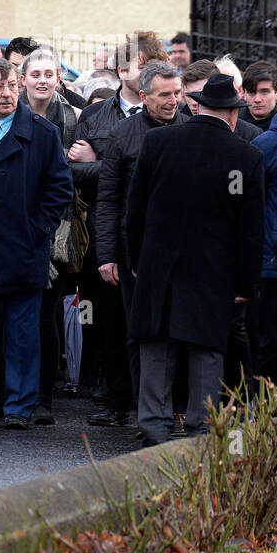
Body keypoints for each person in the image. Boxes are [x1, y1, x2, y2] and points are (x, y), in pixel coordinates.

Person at [126, 73, 264, 444]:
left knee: (156, 345)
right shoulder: (247, 156)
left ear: (198, 105)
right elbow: (251, 230)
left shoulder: (157, 142)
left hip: (158, 265)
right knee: (206, 350)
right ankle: (200, 429)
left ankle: (152, 424)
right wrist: (244, 283)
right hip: (213, 272)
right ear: (234, 115)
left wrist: (136, 259)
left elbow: (134, 209)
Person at [0, 57, 73, 429]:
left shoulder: (42, 132)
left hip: (23, 250)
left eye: (11, 86)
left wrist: (36, 230)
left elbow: (60, 187)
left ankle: (19, 406)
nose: (6, 94)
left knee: (23, 335)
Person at [68, 30, 168, 427]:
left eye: (147, 64)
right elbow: (74, 169)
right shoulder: (93, 116)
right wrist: (105, 163)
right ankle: (115, 399)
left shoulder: (168, 115)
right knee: (111, 319)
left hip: (150, 235)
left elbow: (149, 171)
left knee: (151, 324)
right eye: (135, 65)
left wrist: (104, 156)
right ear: (120, 69)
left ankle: (154, 402)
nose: (141, 72)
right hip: (105, 229)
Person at [91, 59, 184, 425]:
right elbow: (109, 198)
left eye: (177, 93)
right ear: (144, 96)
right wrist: (107, 255)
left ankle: (176, 408)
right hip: (134, 255)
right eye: (164, 95)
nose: (173, 100)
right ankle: (138, 409)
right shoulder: (123, 134)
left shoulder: (190, 130)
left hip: (180, 255)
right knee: (137, 332)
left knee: (178, 332)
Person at [19, 45, 81, 424]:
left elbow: (87, 174)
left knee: (45, 314)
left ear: (58, 78)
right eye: (35, 74)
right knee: (10, 314)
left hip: (56, 231)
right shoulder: (6, 112)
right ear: (23, 78)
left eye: (49, 74)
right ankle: (8, 393)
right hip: (11, 227)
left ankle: (43, 398)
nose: (43, 80)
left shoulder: (74, 118)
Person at [252, 102, 277, 389]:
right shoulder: (265, 145)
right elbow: (251, 207)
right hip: (276, 263)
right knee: (274, 344)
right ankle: (268, 419)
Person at [242, 61, 277, 132]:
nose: (257, 100)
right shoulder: (232, 122)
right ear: (244, 93)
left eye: (264, 92)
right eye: (251, 92)